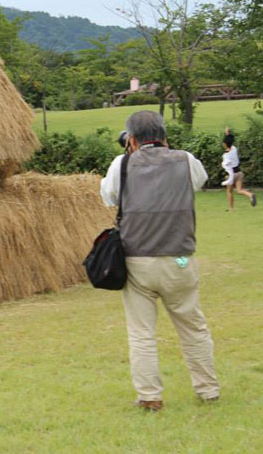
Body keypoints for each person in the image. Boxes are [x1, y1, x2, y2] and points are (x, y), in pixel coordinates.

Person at [100, 111, 219, 411]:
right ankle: (207, 389)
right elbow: (199, 183)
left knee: (141, 333)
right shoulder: (186, 160)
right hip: (179, 257)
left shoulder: (122, 164)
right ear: (164, 134)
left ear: (131, 138)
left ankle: (149, 395)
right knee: (193, 327)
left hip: (137, 259)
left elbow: (109, 197)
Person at [221, 128, 256, 211]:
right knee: (239, 190)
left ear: (225, 144)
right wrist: (227, 133)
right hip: (239, 173)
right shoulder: (234, 149)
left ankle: (231, 209)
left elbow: (226, 165)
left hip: (231, 175)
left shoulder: (226, 155)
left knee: (229, 191)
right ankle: (250, 195)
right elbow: (230, 142)